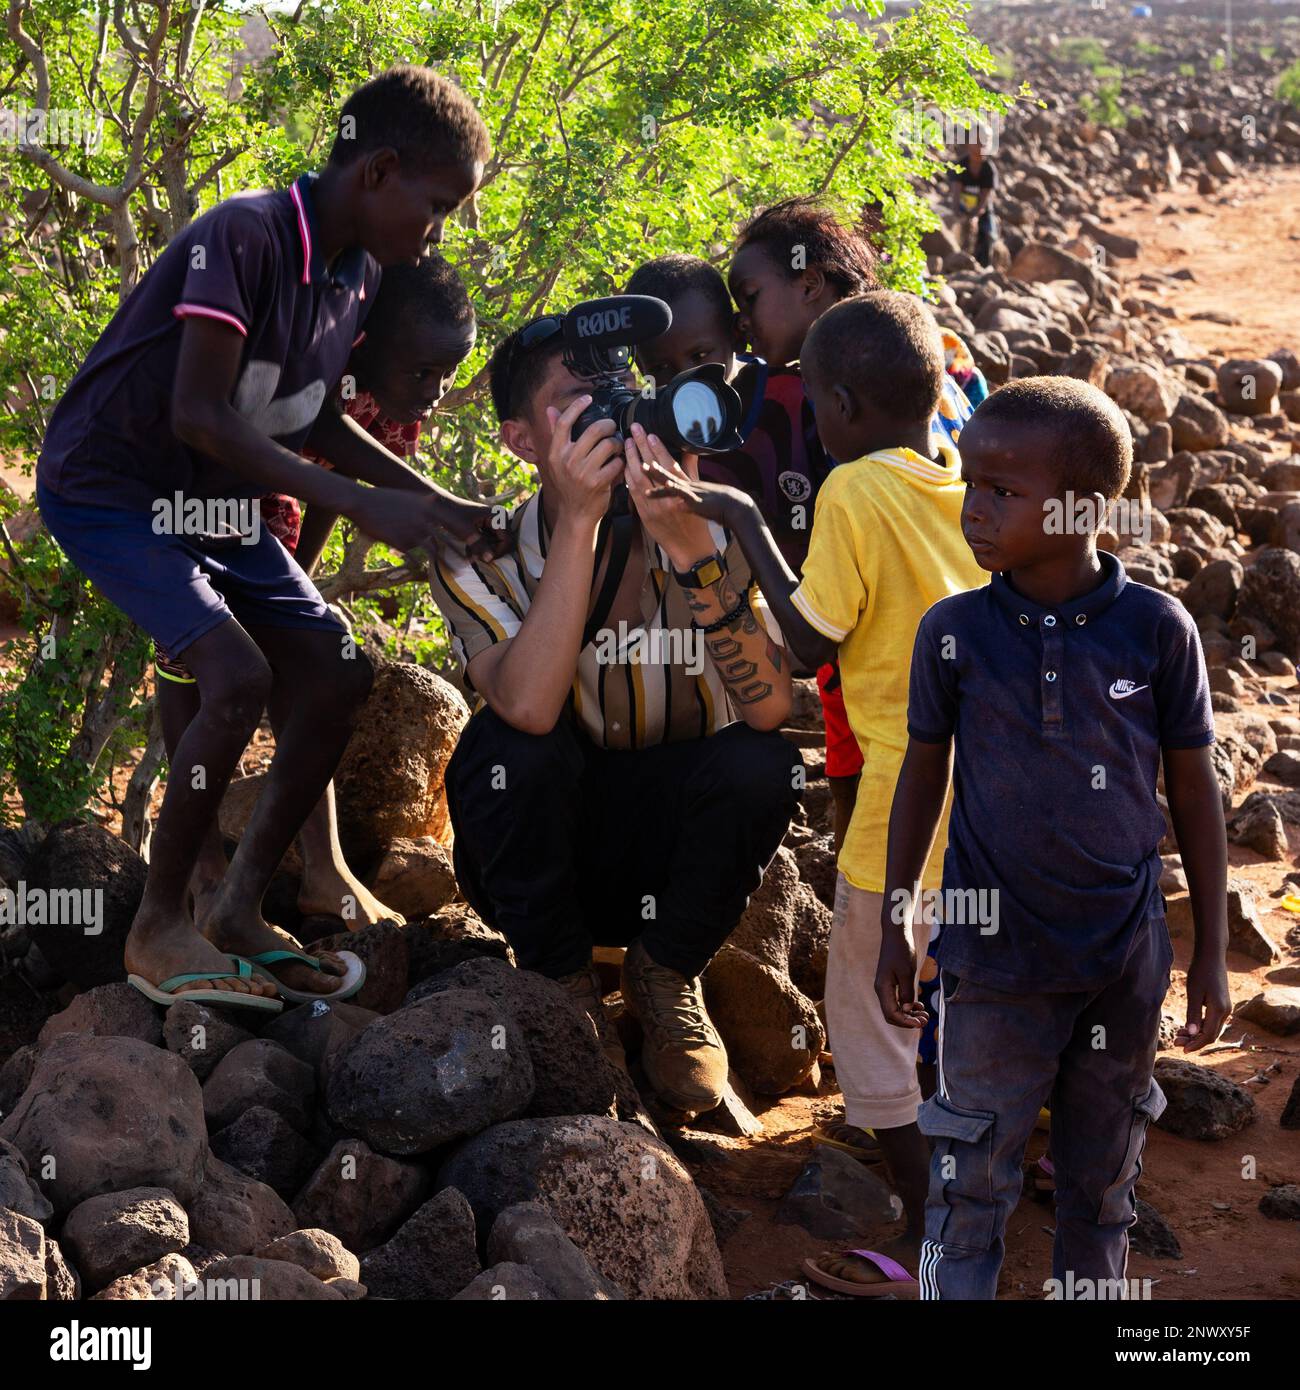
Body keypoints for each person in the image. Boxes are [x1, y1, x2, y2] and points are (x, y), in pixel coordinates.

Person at [35, 66, 492, 1010]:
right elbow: (200, 412)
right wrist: (360, 505)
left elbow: (314, 410)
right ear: (379, 169)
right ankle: (159, 922)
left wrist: (432, 499)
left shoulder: (357, 272)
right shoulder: (242, 237)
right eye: (438, 204)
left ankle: (238, 910)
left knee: (333, 671)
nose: (438, 231)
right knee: (234, 675)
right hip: (111, 488)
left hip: (217, 499)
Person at [644, 291, 987, 1295]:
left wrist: (741, 519)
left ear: (836, 402)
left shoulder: (849, 490)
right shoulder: (958, 478)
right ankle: (979, 1209)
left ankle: (933, 1244)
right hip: (989, 805)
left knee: (870, 1027)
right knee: (954, 1015)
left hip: (898, 807)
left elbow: (806, 643)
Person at [876, 377, 1230, 1300]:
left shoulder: (1155, 631)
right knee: (970, 1180)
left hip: (1122, 955)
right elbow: (923, 775)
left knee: (1100, 1180)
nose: (974, 507)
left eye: (1003, 490)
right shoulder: (953, 632)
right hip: (991, 963)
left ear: (1080, 509)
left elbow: (1194, 796)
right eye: (971, 481)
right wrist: (895, 921)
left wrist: (1214, 958)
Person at [424, 312, 801, 1118]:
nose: (612, 416)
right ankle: (561, 984)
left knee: (763, 762)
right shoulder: (477, 547)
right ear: (523, 441)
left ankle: (664, 972)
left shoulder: (712, 516)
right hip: (550, 854)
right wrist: (580, 526)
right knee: (506, 751)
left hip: (670, 850)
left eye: (621, 393)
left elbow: (771, 705)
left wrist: (693, 546)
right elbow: (525, 707)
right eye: (577, 402)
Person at [153, 255, 477, 938]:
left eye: (448, 375)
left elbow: (338, 492)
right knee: (199, 665)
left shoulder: (392, 408)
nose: (437, 392)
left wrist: (297, 578)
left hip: (272, 517)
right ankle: (205, 873)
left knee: (306, 656)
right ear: (364, 346)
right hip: (198, 495)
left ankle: (323, 870)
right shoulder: (294, 376)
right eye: (424, 372)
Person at [949, 136, 998, 267]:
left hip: (982, 211)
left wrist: (975, 216)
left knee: (989, 234)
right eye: (977, 142)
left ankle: (985, 267)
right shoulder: (961, 166)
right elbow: (955, 196)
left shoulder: (989, 169)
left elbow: (984, 199)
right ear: (969, 144)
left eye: (984, 142)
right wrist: (958, 214)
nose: (981, 146)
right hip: (962, 207)